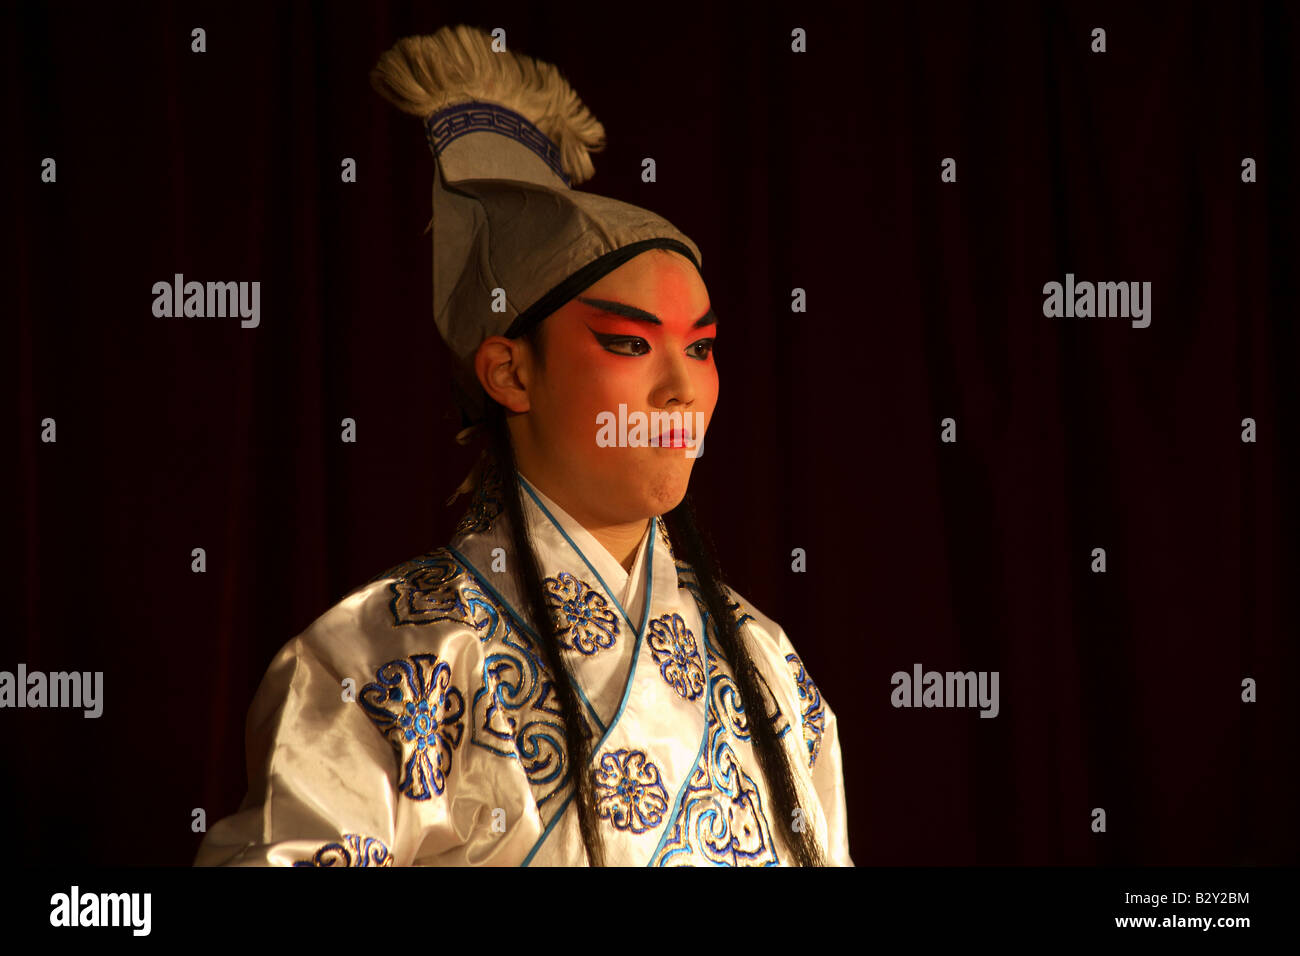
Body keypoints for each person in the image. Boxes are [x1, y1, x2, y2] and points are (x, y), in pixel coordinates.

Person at [194, 24, 851, 867]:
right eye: (628, 343)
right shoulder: (390, 655)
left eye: (702, 347)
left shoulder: (764, 665)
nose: (682, 389)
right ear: (510, 372)